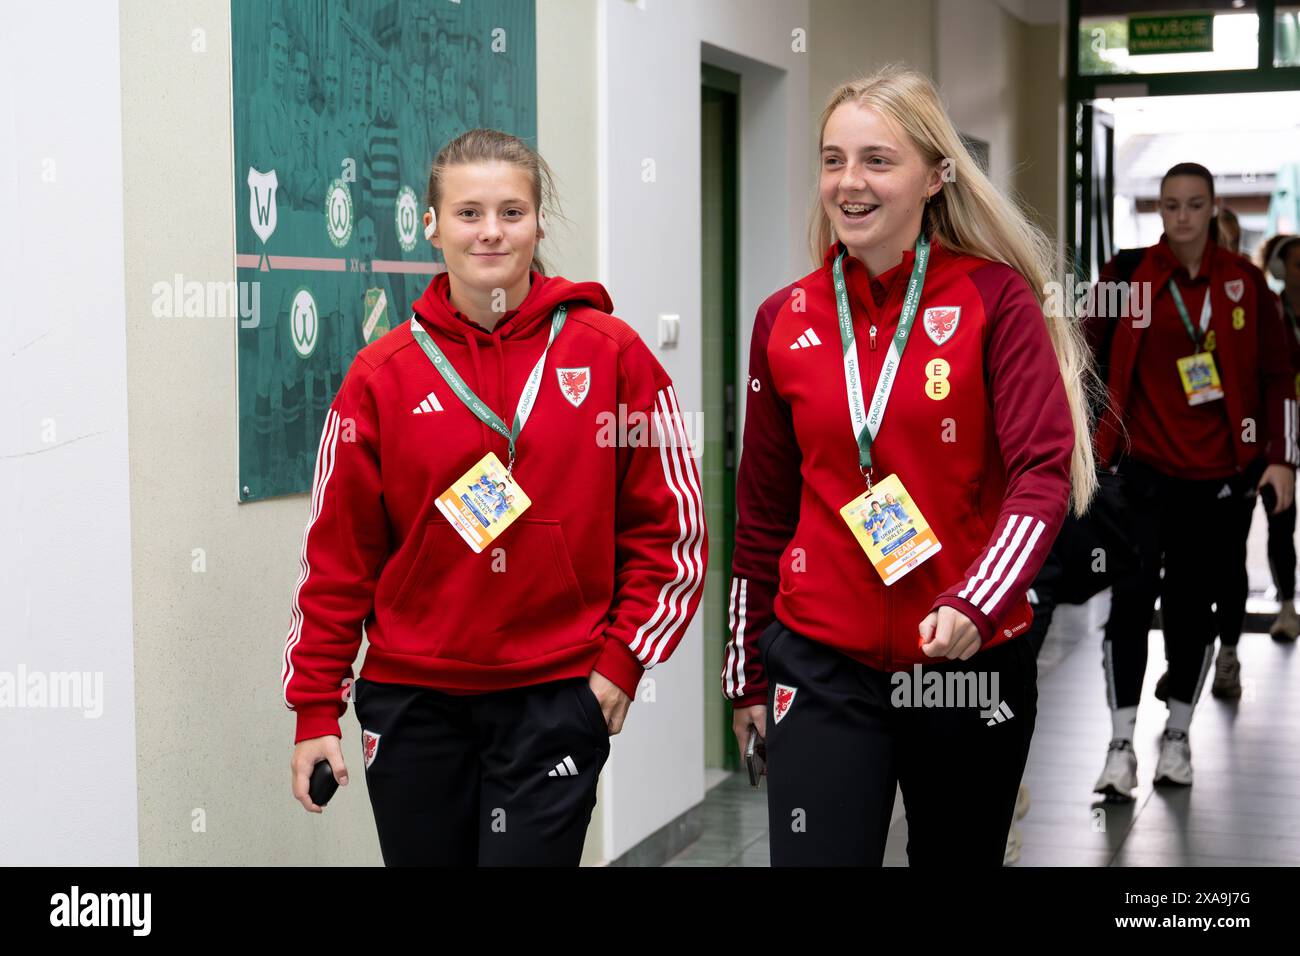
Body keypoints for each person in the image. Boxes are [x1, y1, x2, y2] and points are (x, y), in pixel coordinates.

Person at [284, 128, 707, 865]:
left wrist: (619, 665)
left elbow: (672, 534)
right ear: (431, 225)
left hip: (554, 698)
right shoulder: (379, 375)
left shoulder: (612, 356)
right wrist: (316, 706)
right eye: (469, 212)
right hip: (414, 702)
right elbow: (337, 559)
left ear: (540, 223)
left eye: (512, 212)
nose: (490, 232)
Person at [721, 66, 1091, 866]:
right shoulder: (784, 319)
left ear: (935, 177)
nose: (849, 182)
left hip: (965, 662)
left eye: (877, 160)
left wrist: (976, 603)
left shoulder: (996, 301)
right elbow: (762, 510)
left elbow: (1042, 474)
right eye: (832, 159)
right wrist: (749, 672)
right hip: (822, 665)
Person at [1086, 163, 1294, 799]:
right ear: (1160, 211)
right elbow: (1080, 353)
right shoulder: (1129, 276)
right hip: (1140, 473)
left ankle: (1176, 733)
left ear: (1212, 210)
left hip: (1218, 480)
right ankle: (1120, 744)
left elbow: (1280, 375)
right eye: (1171, 205)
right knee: (1128, 605)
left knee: (1190, 610)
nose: (1181, 217)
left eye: (1194, 205)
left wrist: (1282, 457)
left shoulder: (1244, 283)